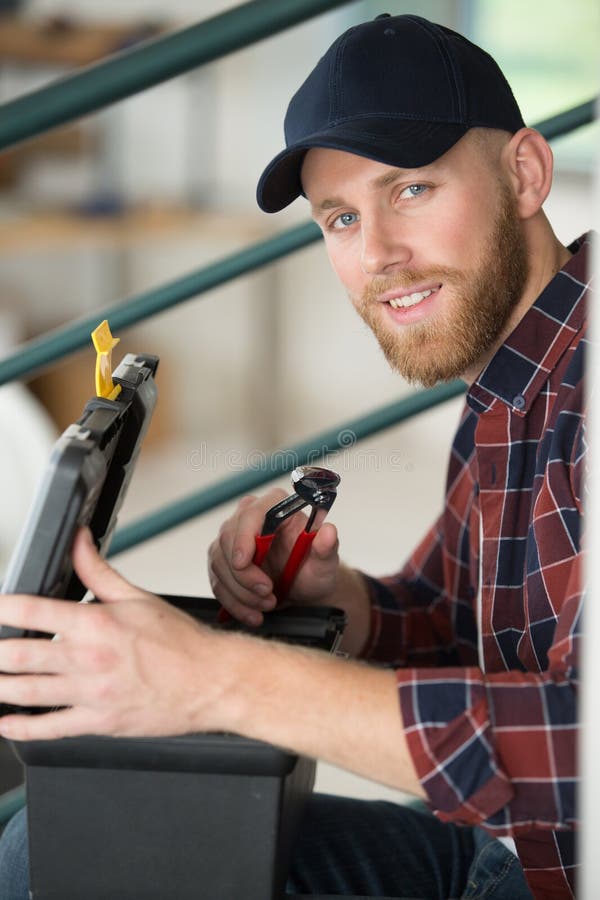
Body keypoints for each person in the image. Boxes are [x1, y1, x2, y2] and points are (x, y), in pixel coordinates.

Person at [0, 12, 589, 900]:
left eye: (413, 190)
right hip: (510, 858)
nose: (380, 255)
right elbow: (451, 620)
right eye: (342, 216)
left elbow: (577, 753)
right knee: (54, 849)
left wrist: (221, 681)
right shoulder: (515, 374)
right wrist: (340, 604)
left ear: (525, 173)